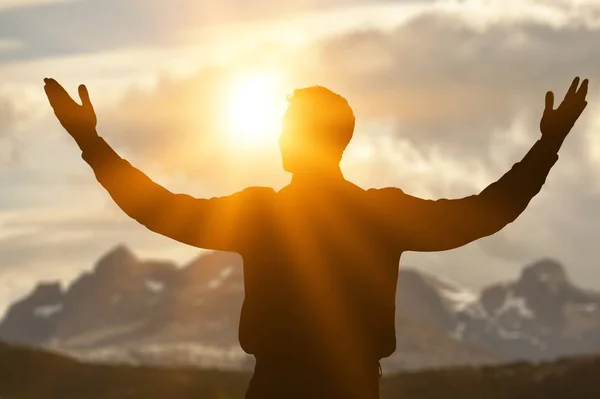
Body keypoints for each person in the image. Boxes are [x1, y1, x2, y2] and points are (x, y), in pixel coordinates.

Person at [43, 76, 588, 399]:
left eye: (286, 129)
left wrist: (90, 141)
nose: (278, 138)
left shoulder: (261, 214)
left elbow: (157, 209)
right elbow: (487, 213)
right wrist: (548, 146)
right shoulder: (382, 215)